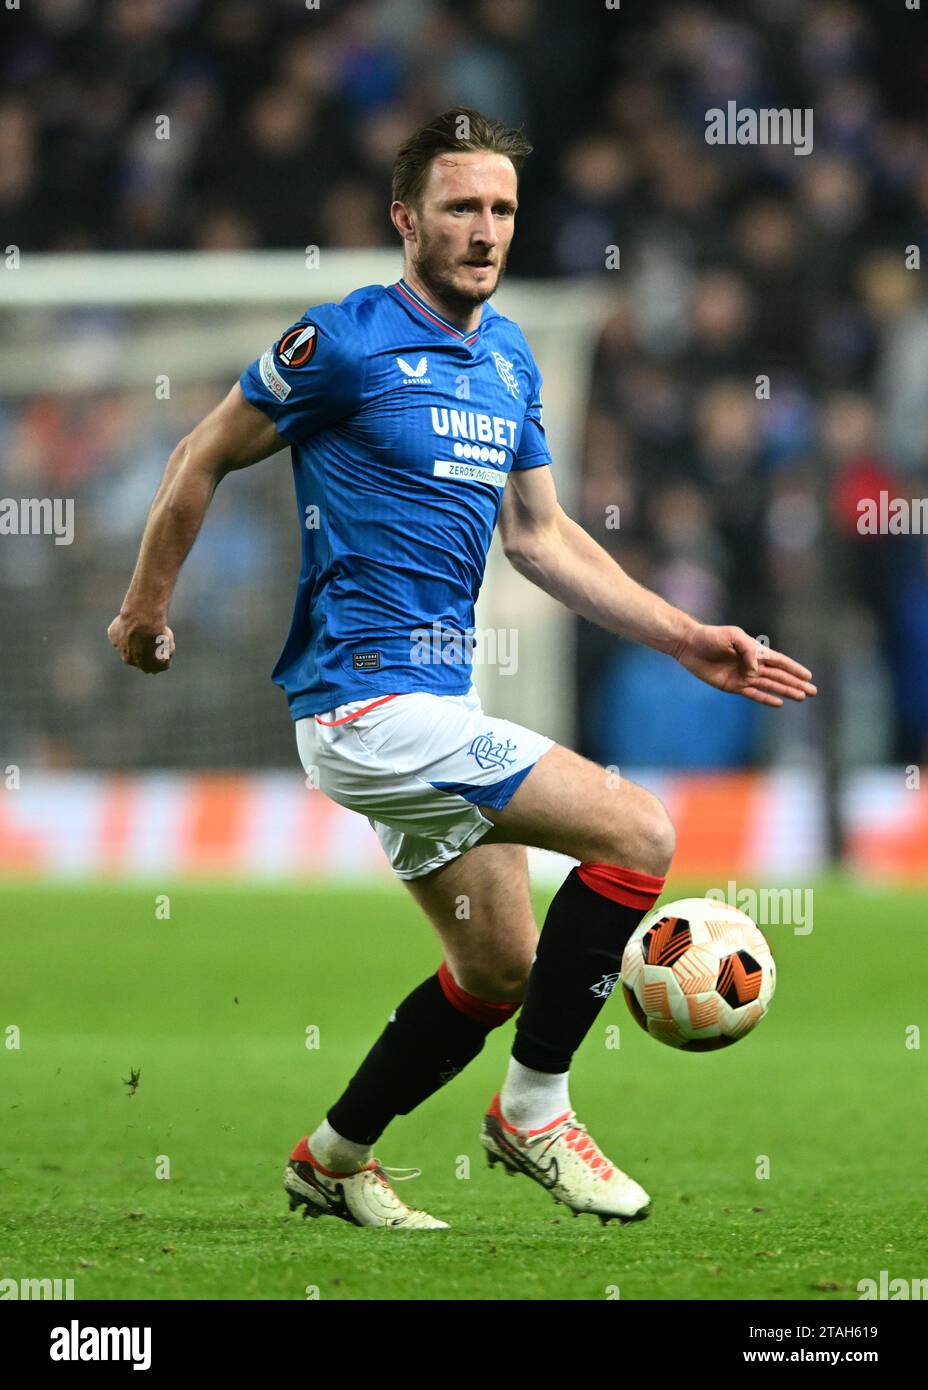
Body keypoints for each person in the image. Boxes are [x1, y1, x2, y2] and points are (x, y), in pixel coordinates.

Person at [108, 107, 816, 1230]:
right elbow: (202, 455)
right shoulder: (340, 341)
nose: (485, 230)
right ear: (406, 220)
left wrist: (687, 637)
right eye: (460, 208)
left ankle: (333, 1158)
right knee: (637, 835)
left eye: (500, 210)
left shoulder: (510, 358)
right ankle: (535, 1109)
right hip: (365, 701)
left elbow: (539, 536)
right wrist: (144, 606)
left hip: (437, 702)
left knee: (495, 966)